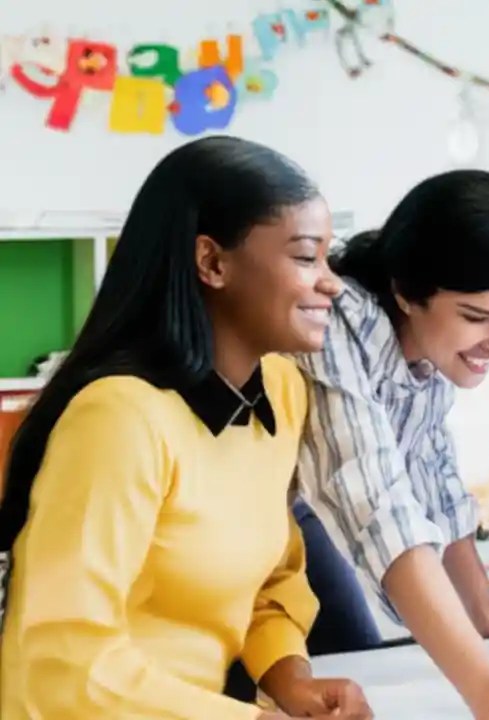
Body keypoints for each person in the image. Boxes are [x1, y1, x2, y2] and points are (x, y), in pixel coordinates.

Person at [0, 136, 371, 719]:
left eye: (329, 257)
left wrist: (291, 680)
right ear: (212, 263)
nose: (332, 283)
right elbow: (65, 661)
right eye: (306, 257)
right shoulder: (119, 417)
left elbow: (268, 582)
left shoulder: (280, 389)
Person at [292, 169, 489, 719]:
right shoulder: (338, 323)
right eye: (476, 317)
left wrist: (485, 614)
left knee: (361, 663)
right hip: (246, 524)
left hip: (295, 523)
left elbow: (436, 482)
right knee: (349, 661)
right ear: (408, 293)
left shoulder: (429, 357)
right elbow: (377, 505)